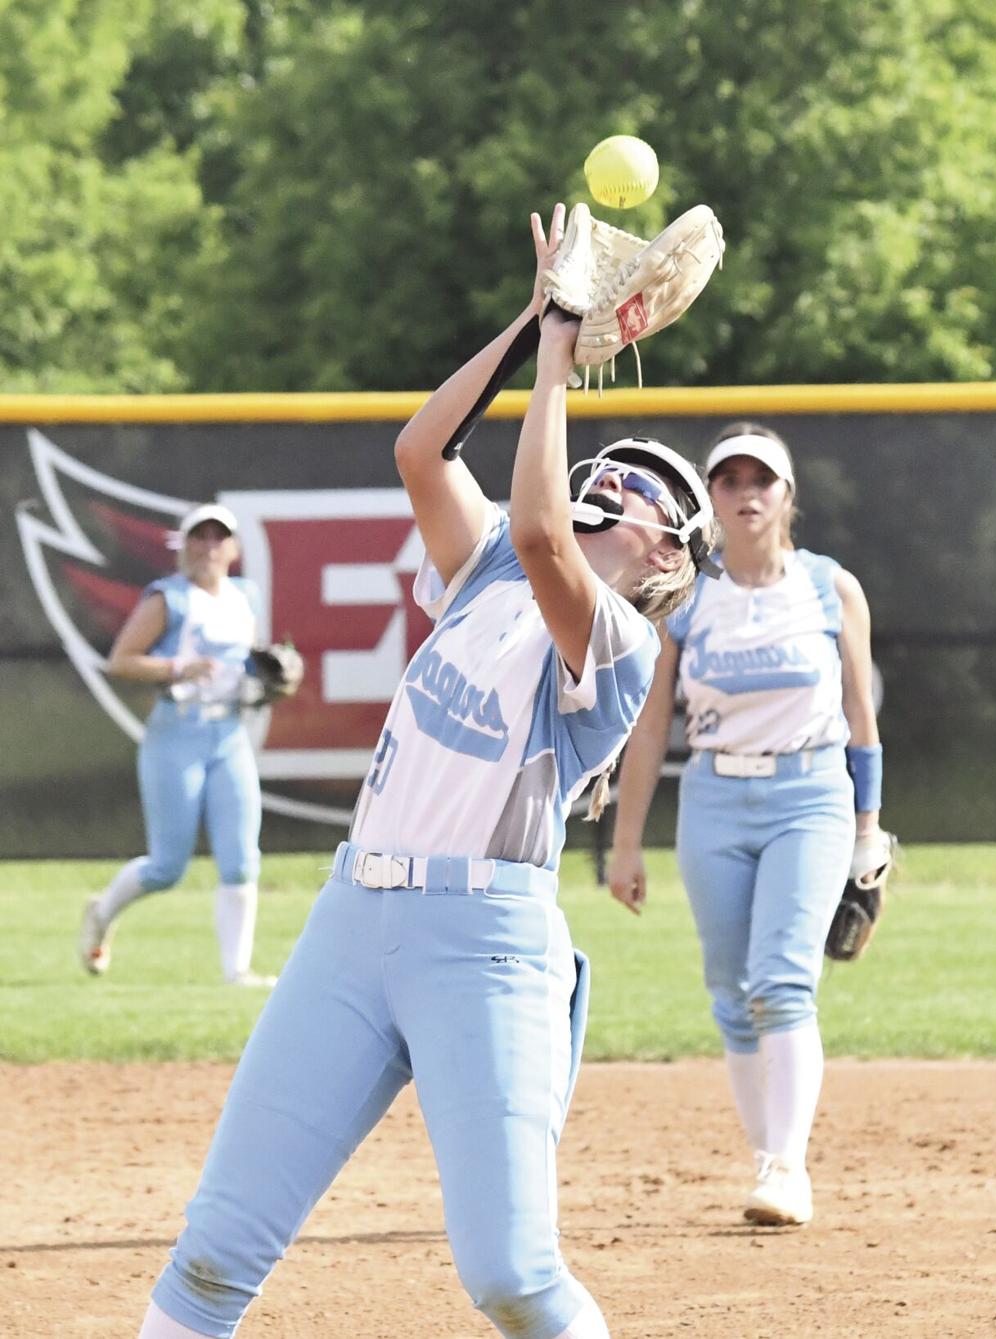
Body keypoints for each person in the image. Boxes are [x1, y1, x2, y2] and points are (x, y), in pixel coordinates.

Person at [134, 202, 715, 1339]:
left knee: (511, 1275)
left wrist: (559, 358)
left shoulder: (621, 643)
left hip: (485, 949)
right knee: (213, 1252)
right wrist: (532, 316)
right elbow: (419, 450)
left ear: (663, 557)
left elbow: (550, 533)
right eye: (622, 461)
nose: (625, 480)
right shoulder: (489, 558)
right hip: (354, 916)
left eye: (652, 490)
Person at [608, 422, 884, 1227]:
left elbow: (860, 721)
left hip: (810, 795)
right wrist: (626, 843)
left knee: (782, 980)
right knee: (731, 992)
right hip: (714, 798)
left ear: (786, 496)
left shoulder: (831, 588)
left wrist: (868, 830)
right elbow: (651, 727)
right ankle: (768, 1156)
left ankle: (784, 1167)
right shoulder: (687, 595)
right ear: (711, 500)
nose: (744, 493)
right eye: (727, 481)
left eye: (760, 480)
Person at [78, 502, 275, 988]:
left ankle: (237, 972)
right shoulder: (169, 597)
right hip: (178, 731)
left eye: (218, 537)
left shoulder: (243, 594)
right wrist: (175, 668)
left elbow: (248, 664)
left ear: (233, 547)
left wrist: (272, 675)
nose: (209, 546)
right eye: (199, 537)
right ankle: (102, 913)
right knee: (167, 866)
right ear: (183, 545)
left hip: (228, 733)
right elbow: (121, 660)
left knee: (241, 858)